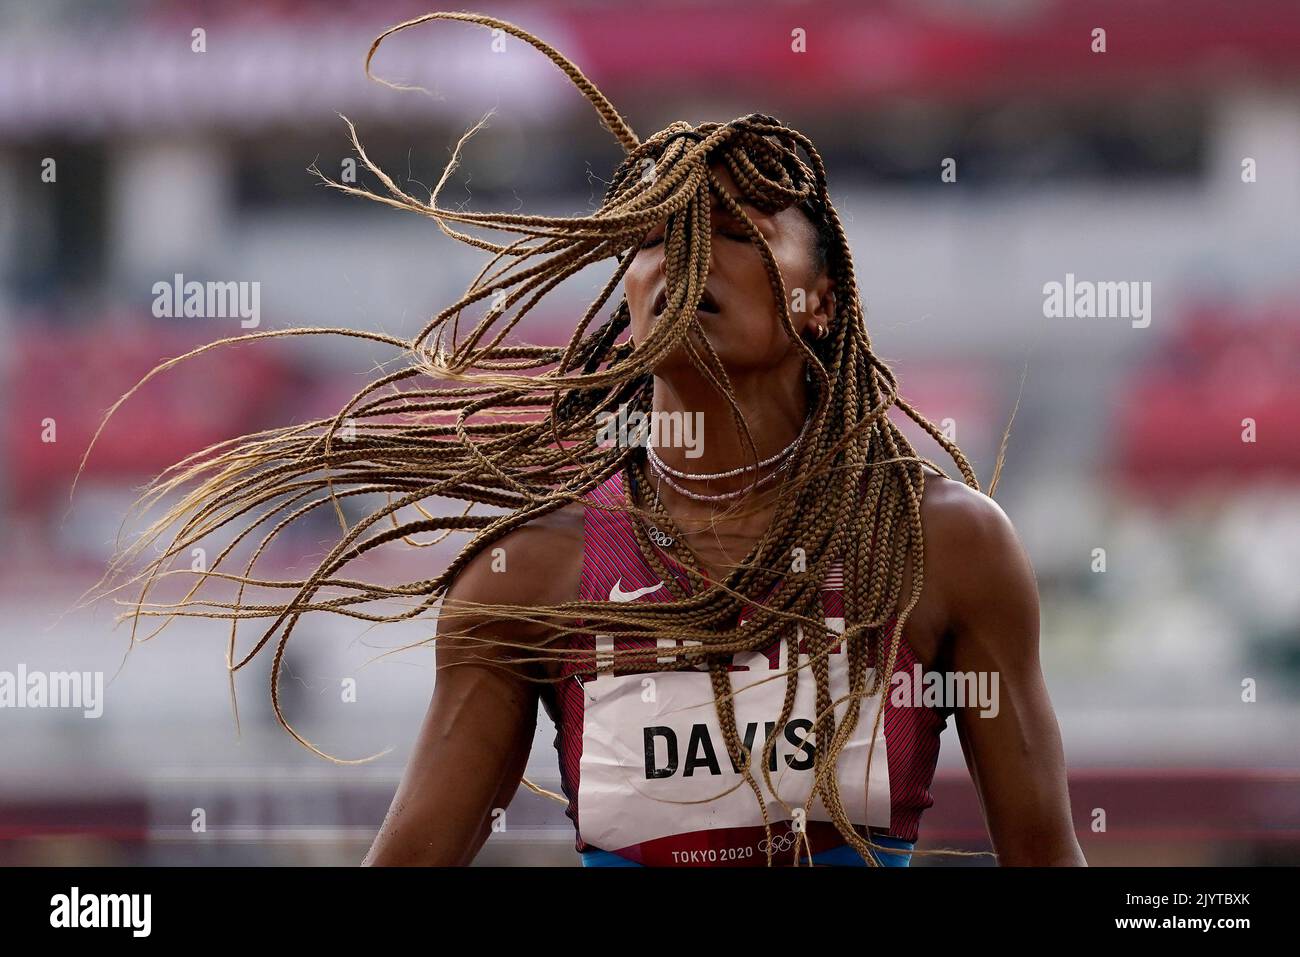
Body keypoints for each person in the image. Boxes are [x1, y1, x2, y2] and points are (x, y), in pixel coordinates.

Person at [94, 11, 1085, 868]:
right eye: (660, 236)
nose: (690, 256)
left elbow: (1045, 855)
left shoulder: (943, 546)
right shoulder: (527, 576)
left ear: (820, 302)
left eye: (737, 233)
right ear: (627, 288)